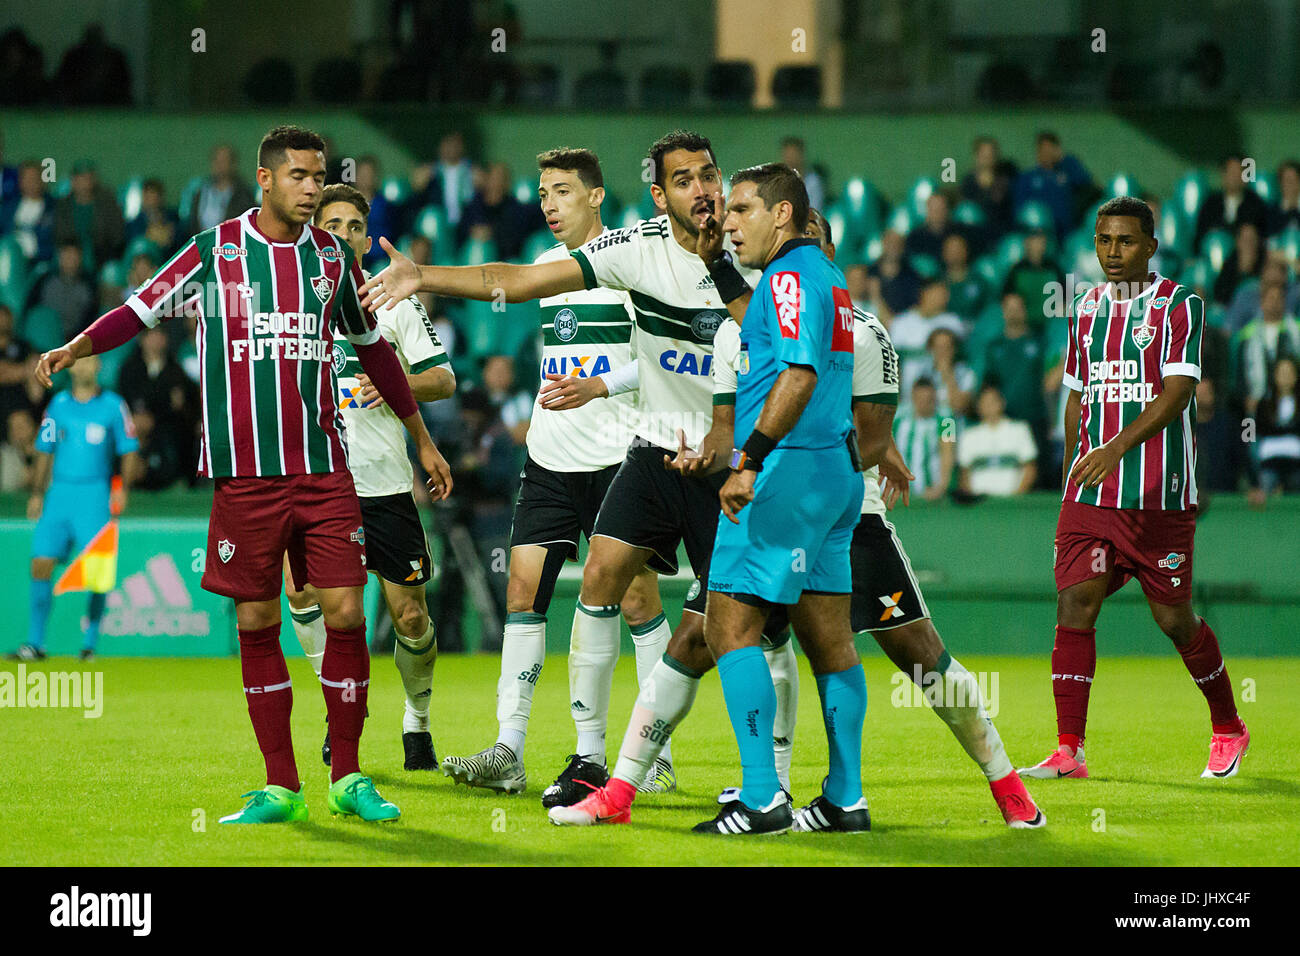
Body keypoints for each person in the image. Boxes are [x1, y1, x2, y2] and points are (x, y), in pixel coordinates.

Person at [34, 125, 453, 825]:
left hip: (325, 472)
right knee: (258, 621)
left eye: (319, 176)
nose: (312, 187)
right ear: (264, 179)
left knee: (348, 613)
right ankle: (281, 786)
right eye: (299, 176)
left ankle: (348, 775)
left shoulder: (330, 260)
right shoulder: (214, 253)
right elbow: (138, 312)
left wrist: (422, 440)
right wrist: (79, 343)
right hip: (245, 479)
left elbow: (375, 352)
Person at [363, 129, 789, 806]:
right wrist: (424, 275)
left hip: (723, 459)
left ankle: (769, 782)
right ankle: (584, 756)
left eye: (709, 175)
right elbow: (520, 281)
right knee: (591, 583)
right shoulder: (630, 249)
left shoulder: (752, 250)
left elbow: (775, 347)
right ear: (659, 195)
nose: (704, 191)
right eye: (684, 180)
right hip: (645, 454)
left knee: (747, 623)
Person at [437, 148, 675, 802]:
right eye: (543, 191)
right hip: (549, 457)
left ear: (596, 197)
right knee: (522, 591)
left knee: (635, 600)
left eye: (563, 191)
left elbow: (661, 360)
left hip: (621, 457)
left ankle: (653, 750)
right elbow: (497, 279)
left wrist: (599, 387)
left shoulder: (631, 264)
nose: (548, 203)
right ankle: (509, 748)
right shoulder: (545, 268)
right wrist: (425, 277)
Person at [1021, 195, 1250, 782]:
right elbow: (1076, 392)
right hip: (1090, 495)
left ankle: (1228, 726)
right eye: (1103, 241)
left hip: (1157, 495)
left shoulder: (1180, 306)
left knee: (1173, 619)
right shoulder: (1087, 308)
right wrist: (1075, 461)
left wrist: (1115, 448)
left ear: (1151, 245)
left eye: (1125, 242)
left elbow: (1178, 394)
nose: (1113, 253)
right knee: (1075, 604)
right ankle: (1069, 749)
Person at [280, 182, 456, 773]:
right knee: (304, 594)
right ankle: (340, 710)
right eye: (334, 224)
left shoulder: (394, 303)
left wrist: (393, 383)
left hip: (384, 484)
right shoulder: (292, 302)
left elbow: (444, 379)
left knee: (410, 615)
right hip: (317, 481)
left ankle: (418, 719)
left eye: (356, 226)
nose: (346, 236)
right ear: (314, 229)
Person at [11, 355, 139, 661]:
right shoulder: (58, 406)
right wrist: (37, 493)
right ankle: (35, 643)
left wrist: (121, 489)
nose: (83, 366)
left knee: (97, 572)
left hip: (95, 495)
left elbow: (129, 451)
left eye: (89, 360)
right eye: (78, 362)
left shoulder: (113, 405)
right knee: (40, 563)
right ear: (72, 368)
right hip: (59, 494)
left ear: (98, 366)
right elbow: (45, 449)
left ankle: (89, 644)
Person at [957, 383, 1038, 496]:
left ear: (1002, 403)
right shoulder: (968, 435)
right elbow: (964, 474)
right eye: (985, 403)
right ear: (978, 407)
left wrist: (1016, 497)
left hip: (1012, 505)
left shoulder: (1020, 430)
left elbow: (1030, 469)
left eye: (993, 402)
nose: (989, 406)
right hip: (980, 505)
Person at [1012, 131, 1094, 238]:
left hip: (1067, 233)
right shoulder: (1028, 178)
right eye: (1043, 150)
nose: (1046, 154)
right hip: (1039, 236)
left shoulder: (1067, 172)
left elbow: (1085, 182)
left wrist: (1064, 159)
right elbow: (1019, 209)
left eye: (1050, 149)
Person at [53, 160, 123, 270]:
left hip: (102, 256)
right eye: (81, 178)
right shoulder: (63, 205)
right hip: (70, 255)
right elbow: (59, 235)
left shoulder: (108, 204)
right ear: (73, 181)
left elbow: (117, 236)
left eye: (88, 178)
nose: (85, 183)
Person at [893, 377, 954, 499]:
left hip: (929, 490)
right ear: (912, 397)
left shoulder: (946, 419)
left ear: (935, 398)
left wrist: (941, 487)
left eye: (928, 400)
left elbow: (948, 453)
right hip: (899, 489)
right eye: (920, 399)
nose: (924, 404)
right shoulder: (898, 416)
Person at [1195, 154, 1269, 253]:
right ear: (1223, 174)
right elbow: (1200, 236)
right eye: (1230, 172)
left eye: (1238, 172)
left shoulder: (1255, 204)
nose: (1233, 177)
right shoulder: (1211, 203)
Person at [1249, 356, 1300, 497]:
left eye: (1289, 373)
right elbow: (1251, 432)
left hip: (1295, 460)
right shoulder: (1263, 403)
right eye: (1281, 373)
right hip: (1269, 460)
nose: (1285, 377)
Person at [183, 143, 256, 236]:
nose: (220, 165)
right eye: (216, 160)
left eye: (224, 161)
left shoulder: (244, 195)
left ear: (233, 164)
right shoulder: (200, 191)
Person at [0, 160, 56, 263]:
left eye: (34, 178)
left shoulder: (53, 207)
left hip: (40, 262)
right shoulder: (8, 207)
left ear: (42, 180)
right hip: (9, 261)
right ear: (20, 182)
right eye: (26, 178)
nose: (30, 182)